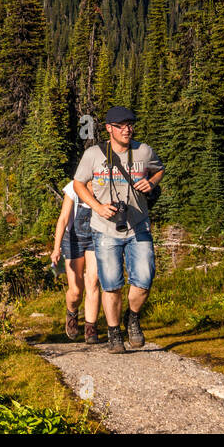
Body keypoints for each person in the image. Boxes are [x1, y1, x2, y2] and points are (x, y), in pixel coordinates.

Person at [71, 106, 163, 354]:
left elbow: (159, 169)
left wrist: (151, 182)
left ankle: (132, 317)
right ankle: (114, 334)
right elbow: (78, 184)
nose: (127, 129)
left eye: (130, 124)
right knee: (111, 285)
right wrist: (97, 207)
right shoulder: (93, 154)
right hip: (104, 228)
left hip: (139, 225)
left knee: (144, 280)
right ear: (109, 128)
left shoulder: (143, 151)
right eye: (121, 125)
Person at [51, 180, 102, 343]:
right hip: (73, 240)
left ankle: (90, 327)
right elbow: (63, 218)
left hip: (96, 238)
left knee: (93, 281)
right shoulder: (74, 187)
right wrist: (56, 248)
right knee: (76, 291)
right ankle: (72, 312)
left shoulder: (105, 185)